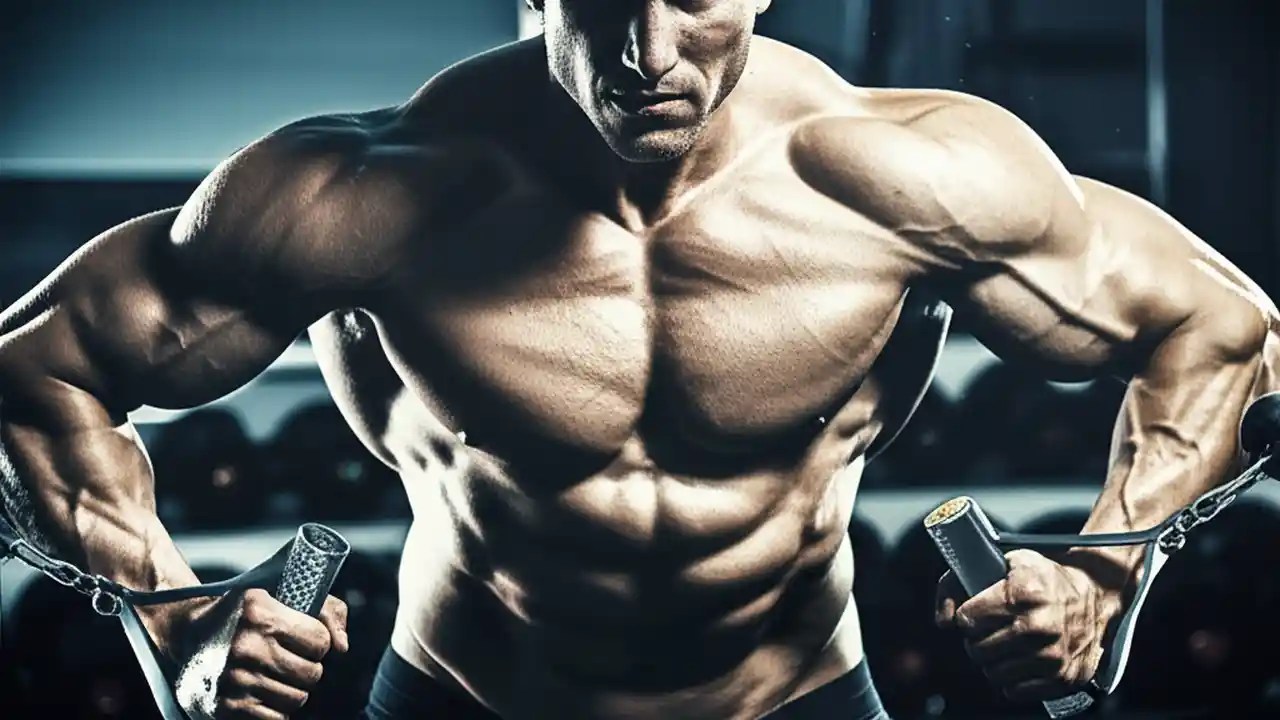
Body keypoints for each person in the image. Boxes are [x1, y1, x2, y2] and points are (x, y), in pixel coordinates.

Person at [1, 1, 1277, 718]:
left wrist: (1104, 580)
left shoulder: (904, 180)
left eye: (695, 0)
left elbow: (1224, 333)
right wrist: (173, 626)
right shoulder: (367, 196)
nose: (649, 54)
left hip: (794, 699)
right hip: (467, 697)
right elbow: (35, 373)